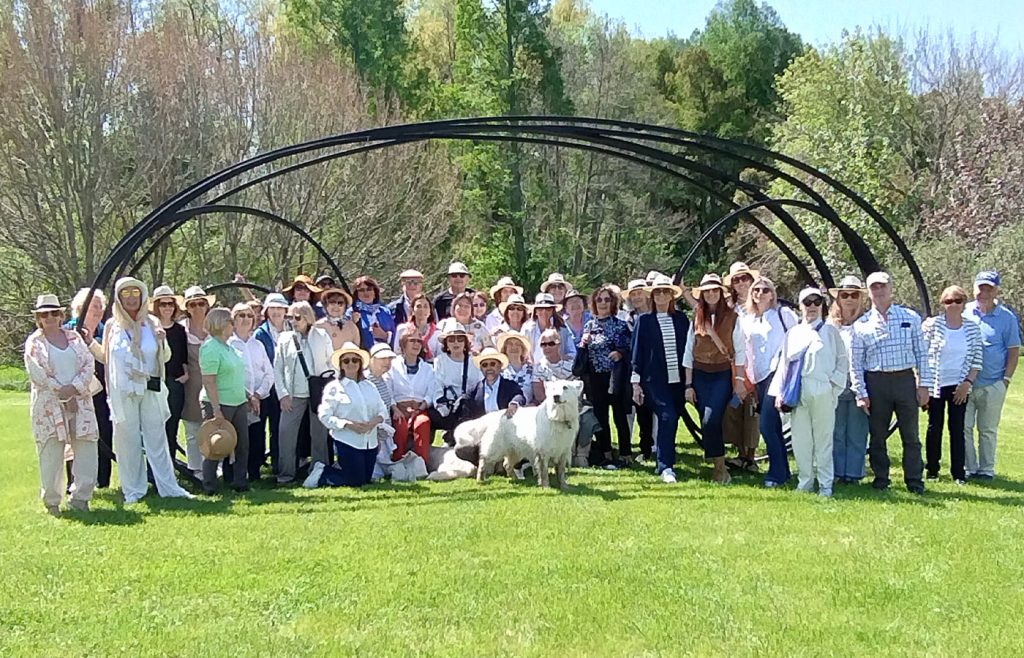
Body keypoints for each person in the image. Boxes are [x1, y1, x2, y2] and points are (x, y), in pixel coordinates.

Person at [105, 277, 192, 503]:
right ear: (118, 297)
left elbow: (164, 357)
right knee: (127, 439)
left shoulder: (151, 323)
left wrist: (162, 342)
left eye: (136, 293)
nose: (132, 298)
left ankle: (168, 485)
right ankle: (133, 489)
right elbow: (107, 360)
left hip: (151, 387)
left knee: (157, 437)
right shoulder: (112, 326)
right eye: (126, 294)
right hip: (124, 391)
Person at [849, 271, 929, 494]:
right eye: (874, 287)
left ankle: (914, 480)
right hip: (876, 382)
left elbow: (922, 354)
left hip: (904, 379)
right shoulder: (861, 325)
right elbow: (855, 363)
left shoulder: (910, 318)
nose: (879, 291)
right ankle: (881, 479)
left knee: (911, 435)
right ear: (869, 292)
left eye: (883, 286)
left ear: (891, 288)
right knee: (877, 435)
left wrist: (924, 385)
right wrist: (860, 393)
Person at [25, 294, 99, 515]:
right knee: (51, 453)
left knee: (86, 448)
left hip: (80, 401)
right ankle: (52, 502)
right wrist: (62, 391)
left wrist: (74, 388)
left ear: (61, 316)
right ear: (38, 318)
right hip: (49, 405)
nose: (50, 317)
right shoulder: (34, 343)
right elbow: (37, 372)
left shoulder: (75, 338)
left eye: (54, 313)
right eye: (45, 314)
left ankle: (81, 498)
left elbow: (88, 364)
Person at [769, 288, 848, 497]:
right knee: (800, 440)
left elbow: (842, 361)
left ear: (822, 305)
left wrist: (833, 387)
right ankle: (805, 482)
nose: (812, 306)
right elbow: (784, 365)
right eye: (807, 302)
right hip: (798, 390)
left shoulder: (831, 332)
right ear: (801, 305)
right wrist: (780, 393)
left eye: (816, 302)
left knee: (823, 440)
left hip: (822, 388)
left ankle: (825, 485)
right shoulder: (793, 333)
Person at [683, 273, 746, 485]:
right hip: (700, 375)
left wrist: (738, 381)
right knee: (705, 420)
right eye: (707, 291)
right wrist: (689, 384)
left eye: (715, 290)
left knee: (712, 419)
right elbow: (688, 352)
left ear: (720, 292)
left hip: (721, 374)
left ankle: (720, 469)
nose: (711, 294)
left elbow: (740, 351)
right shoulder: (697, 317)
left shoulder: (732, 317)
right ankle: (716, 461)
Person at [631, 275, 690, 483]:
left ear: (672, 296)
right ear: (653, 296)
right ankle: (666, 466)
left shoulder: (681, 320)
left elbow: (688, 350)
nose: (662, 296)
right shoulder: (644, 321)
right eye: (658, 292)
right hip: (654, 381)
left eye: (666, 292)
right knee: (667, 416)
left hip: (679, 379)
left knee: (673, 418)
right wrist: (636, 383)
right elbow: (636, 353)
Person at [740, 276, 798, 486]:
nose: (760, 293)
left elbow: (797, 339)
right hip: (759, 378)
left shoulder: (784, 314)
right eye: (756, 290)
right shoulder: (748, 319)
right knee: (771, 426)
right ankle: (782, 471)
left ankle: (776, 473)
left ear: (773, 293)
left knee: (766, 425)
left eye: (765, 290)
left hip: (779, 374)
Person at [922, 285, 983, 483]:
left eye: (957, 300)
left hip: (959, 385)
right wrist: (921, 383)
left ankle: (958, 473)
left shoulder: (972, 328)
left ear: (964, 303)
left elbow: (976, 360)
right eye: (949, 301)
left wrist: (967, 383)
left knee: (958, 428)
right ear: (943, 304)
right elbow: (922, 355)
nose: (953, 305)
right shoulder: (933, 326)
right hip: (936, 384)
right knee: (934, 426)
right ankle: (932, 470)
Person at [963, 270, 1020, 480]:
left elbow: (1013, 350)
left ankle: (986, 470)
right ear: (974, 288)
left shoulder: (1006, 318)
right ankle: (969, 468)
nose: (984, 292)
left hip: (994, 382)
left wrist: (1006, 380)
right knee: (964, 428)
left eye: (989, 288)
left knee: (987, 430)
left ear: (996, 290)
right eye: (981, 288)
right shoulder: (964, 311)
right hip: (965, 383)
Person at [309, 343, 388, 488]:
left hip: (370, 441)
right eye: (346, 361)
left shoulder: (369, 386)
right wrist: (347, 424)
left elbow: (382, 409)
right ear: (341, 365)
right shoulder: (334, 388)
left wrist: (373, 422)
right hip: (347, 440)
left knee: (365, 479)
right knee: (355, 482)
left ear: (360, 363)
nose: (351, 363)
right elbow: (324, 416)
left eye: (355, 360)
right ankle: (322, 472)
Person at [198, 307, 253, 494]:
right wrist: (216, 409)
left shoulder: (229, 347)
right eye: (230, 321)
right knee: (216, 445)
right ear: (221, 324)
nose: (233, 324)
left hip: (238, 402)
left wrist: (248, 395)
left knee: (242, 444)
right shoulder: (210, 347)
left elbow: (234, 375)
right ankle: (210, 486)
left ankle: (240, 482)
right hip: (220, 403)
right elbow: (209, 380)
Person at [580, 285, 633, 467]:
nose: (603, 303)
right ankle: (606, 452)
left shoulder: (620, 325)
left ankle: (625, 452)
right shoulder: (590, 325)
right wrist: (583, 343)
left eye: (607, 299)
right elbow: (584, 351)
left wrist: (619, 353)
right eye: (599, 300)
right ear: (594, 303)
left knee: (619, 416)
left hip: (614, 376)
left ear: (613, 303)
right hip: (595, 377)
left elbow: (627, 348)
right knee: (601, 417)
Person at [66, 288, 114, 489]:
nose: (98, 310)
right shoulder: (68, 331)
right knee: (76, 435)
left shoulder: (106, 331)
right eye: (94, 306)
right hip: (77, 392)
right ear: (81, 307)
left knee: (104, 432)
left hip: (102, 393)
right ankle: (74, 481)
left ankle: (102, 481)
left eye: (101, 306)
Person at [827, 276, 870, 484]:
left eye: (854, 295)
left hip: (861, 383)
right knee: (836, 430)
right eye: (845, 295)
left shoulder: (869, 322)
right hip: (835, 382)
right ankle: (836, 472)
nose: (849, 299)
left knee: (857, 430)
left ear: (861, 298)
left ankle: (853, 474)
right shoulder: (830, 325)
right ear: (838, 299)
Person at [273, 301, 319, 484]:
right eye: (289, 317)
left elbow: (329, 364)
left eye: (297, 317)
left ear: (308, 317)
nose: (293, 321)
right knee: (286, 433)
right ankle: (286, 475)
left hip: (317, 393)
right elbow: (277, 368)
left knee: (319, 436)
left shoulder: (320, 336)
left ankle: (318, 472)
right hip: (293, 395)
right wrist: (283, 394)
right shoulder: (284, 338)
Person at [229, 303, 275, 481]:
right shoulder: (229, 344)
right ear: (233, 320)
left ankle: (255, 472)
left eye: (249, 316)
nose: (245, 319)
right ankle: (233, 474)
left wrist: (258, 395)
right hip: (237, 398)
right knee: (237, 438)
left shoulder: (258, 344)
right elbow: (230, 374)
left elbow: (268, 372)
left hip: (260, 398)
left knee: (257, 436)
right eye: (241, 315)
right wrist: (248, 395)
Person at [721, 262, 760, 473]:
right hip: (734, 365)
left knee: (752, 412)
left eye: (744, 278)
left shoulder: (760, 304)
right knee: (734, 411)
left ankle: (750, 457)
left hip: (755, 365)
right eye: (736, 279)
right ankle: (740, 454)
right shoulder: (729, 308)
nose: (741, 283)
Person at [150, 286, 189, 464]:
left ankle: (170, 466)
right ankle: (154, 470)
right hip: (155, 383)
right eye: (163, 304)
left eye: (170, 304)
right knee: (154, 428)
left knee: (172, 426)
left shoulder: (180, 330)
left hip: (175, 383)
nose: (167, 307)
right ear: (156, 306)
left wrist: (185, 375)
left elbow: (183, 356)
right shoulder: (148, 328)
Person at [180, 286, 216, 476]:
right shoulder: (181, 329)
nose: (198, 307)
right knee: (193, 430)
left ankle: (214, 466)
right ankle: (196, 468)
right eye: (193, 304)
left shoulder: (215, 326)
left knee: (214, 427)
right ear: (187, 307)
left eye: (201, 303)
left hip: (215, 386)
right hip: (191, 385)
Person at [253, 293, 289, 475]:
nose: (276, 312)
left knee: (280, 428)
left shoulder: (291, 330)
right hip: (265, 387)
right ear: (266, 311)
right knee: (260, 428)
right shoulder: (260, 333)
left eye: (279, 308)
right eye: (272, 308)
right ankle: (256, 466)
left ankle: (278, 464)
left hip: (286, 386)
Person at [386, 333, 436, 461]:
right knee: (401, 426)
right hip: (399, 409)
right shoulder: (392, 366)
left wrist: (419, 409)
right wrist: (395, 409)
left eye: (419, 341)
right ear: (403, 344)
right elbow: (388, 390)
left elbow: (431, 393)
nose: (416, 344)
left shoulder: (428, 369)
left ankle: (421, 464)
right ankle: (397, 462)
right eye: (412, 341)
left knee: (423, 423)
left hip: (419, 409)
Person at [429, 327, 483, 444]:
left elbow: (480, 385)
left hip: (468, 407)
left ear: (465, 343)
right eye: (451, 340)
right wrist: (440, 405)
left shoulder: (474, 361)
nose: (456, 343)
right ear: (446, 344)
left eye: (460, 339)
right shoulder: (440, 361)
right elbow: (437, 385)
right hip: (447, 407)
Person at [623, 279, 655, 462]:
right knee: (639, 408)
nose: (636, 297)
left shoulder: (656, 315)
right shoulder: (628, 319)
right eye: (632, 294)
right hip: (633, 369)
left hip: (654, 368)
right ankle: (644, 448)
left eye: (639, 293)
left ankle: (654, 447)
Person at [460, 347, 526, 420]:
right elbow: (466, 413)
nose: (489, 368)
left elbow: (519, 396)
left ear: (500, 366)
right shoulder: (473, 391)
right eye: (485, 365)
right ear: (481, 369)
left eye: (492, 364)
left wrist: (514, 403)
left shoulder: (510, 385)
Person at [524, 293, 577, 364]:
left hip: (558, 371)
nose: (544, 312)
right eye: (540, 309)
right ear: (535, 311)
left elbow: (572, 353)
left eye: (548, 309)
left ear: (553, 311)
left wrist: (560, 359)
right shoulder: (527, 329)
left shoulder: (562, 329)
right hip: (533, 371)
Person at [349, 276, 396, 346]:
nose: (366, 293)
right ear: (356, 294)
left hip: (386, 353)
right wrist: (352, 323)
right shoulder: (351, 313)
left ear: (375, 293)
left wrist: (385, 336)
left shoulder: (385, 311)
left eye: (369, 289)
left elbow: (396, 338)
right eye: (361, 290)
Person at [394, 293, 442, 361]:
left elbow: (440, 356)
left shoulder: (437, 333)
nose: (422, 309)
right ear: (413, 310)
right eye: (418, 306)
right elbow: (397, 352)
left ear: (430, 312)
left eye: (425, 306)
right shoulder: (402, 329)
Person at [497, 332, 534, 405]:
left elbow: (537, 396)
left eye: (517, 344)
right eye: (510, 344)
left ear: (523, 349)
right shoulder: (500, 371)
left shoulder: (532, 370)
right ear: (505, 349)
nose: (514, 347)